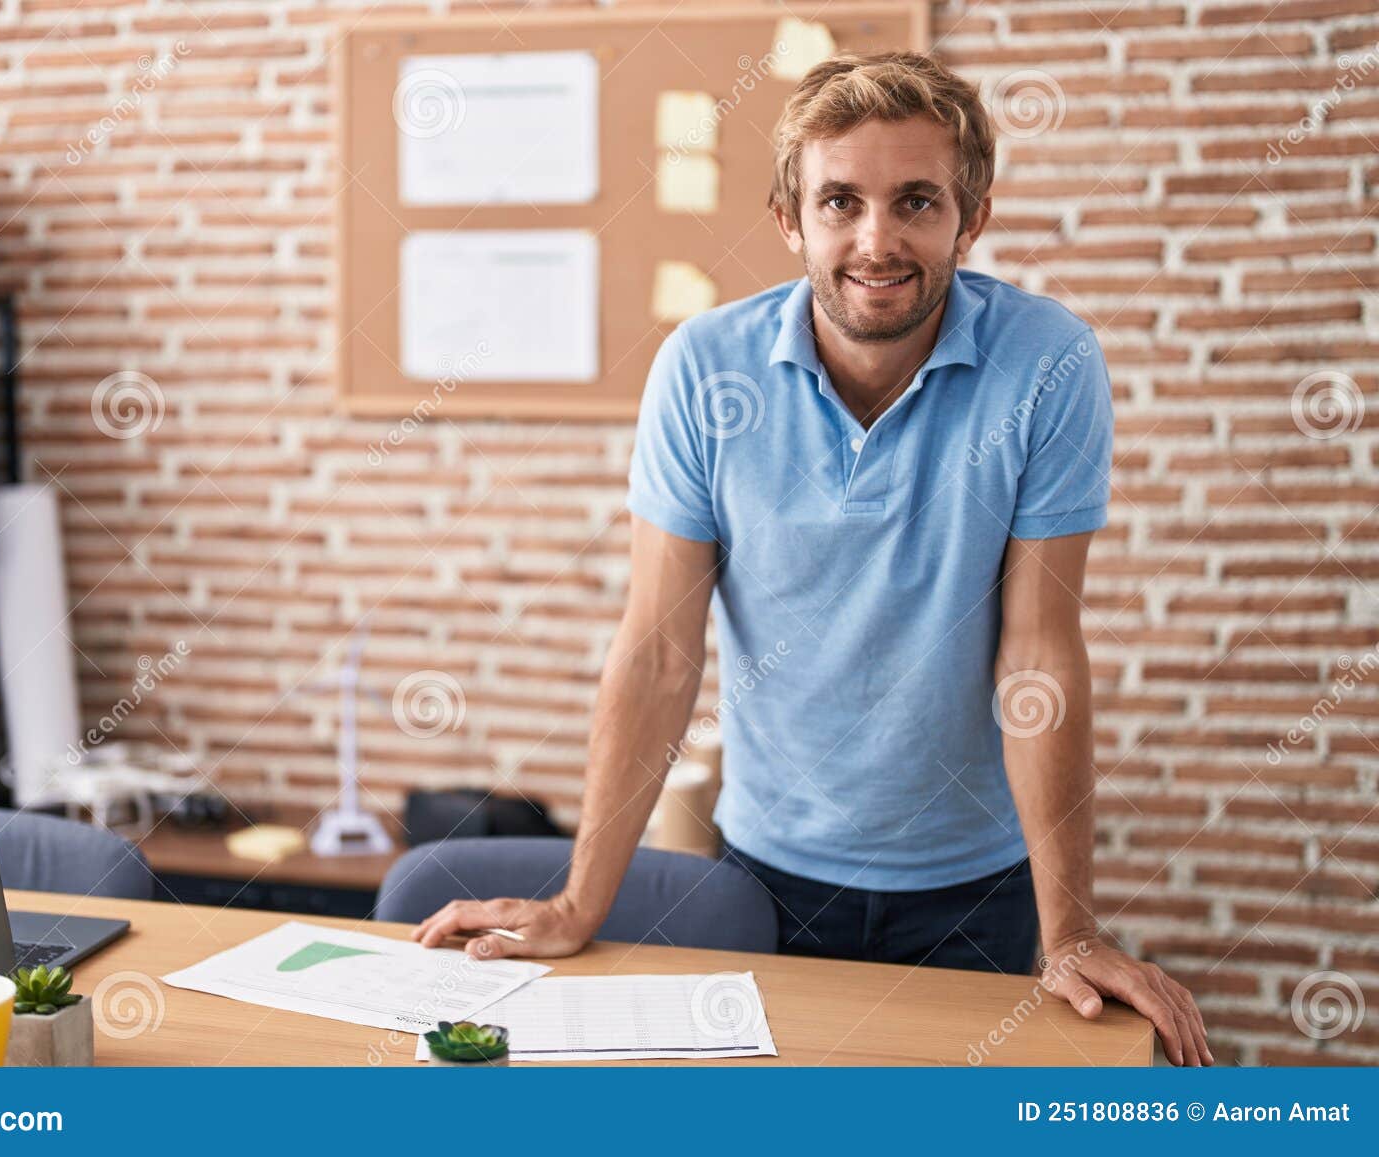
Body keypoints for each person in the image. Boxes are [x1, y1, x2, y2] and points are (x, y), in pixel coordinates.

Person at [413, 50, 1211, 1067]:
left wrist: (1073, 932)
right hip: (763, 878)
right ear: (790, 219)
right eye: (841, 201)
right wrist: (579, 902)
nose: (876, 240)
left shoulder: (1048, 363)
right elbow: (659, 652)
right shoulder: (704, 368)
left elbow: (1038, 653)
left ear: (971, 218)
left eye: (916, 201)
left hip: (980, 887)